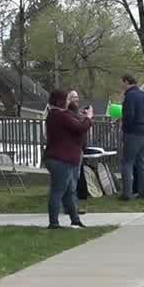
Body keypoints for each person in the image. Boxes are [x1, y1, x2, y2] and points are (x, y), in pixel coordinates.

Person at [45, 88, 93, 228]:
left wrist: (82, 117)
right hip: (62, 159)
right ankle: (54, 223)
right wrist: (89, 117)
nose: (68, 102)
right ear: (60, 101)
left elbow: (75, 125)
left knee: (69, 191)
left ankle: (75, 220)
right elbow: (80, 128)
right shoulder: (61, 116)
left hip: (59, 157)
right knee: (58, 191)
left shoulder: (53, 115)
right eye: (66, 99)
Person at [119, 74, 144, 200]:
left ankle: (127, 193)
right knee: (143, 163)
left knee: (127, 163)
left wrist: (124, 130)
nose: (121, 85)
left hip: (134, 132)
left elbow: (129, 116)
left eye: (122, 82)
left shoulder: (129, 96)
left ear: (127, 81)